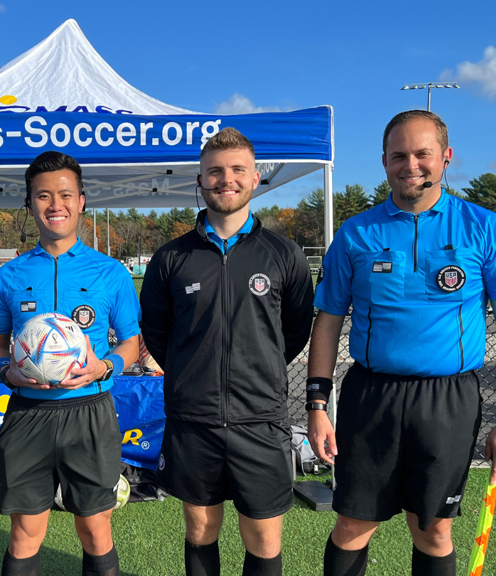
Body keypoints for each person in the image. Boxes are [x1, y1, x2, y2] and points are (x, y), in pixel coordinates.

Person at [308, 110, 496, 576]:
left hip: (447, 399)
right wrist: (317, 406)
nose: (410, 165)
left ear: (445, 157)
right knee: (352, 523)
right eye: (398, 156)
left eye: (422, 154)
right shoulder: (355, 233)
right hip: (371, 396)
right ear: (384, 161)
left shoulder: (486, 229)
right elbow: (327, 322)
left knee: (433, 529)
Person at [140, 127, 315, 576]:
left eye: (238, 169)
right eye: (215, 171)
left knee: (263, 538)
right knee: (201, 530)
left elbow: (294, 332)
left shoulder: (285, 254)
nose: (226, 179)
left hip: (261, 419)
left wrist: (258, 368)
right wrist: (191, 373)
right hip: (193, 420)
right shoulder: (170, 258)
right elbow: (156, 333)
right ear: (200, 180)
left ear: (256, 178)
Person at [0, 151, 141, 576]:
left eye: (66, 194)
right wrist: (5, 371)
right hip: (28, 414)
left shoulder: (110, 272)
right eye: (43, 195)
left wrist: (104, 366)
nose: (56, 204)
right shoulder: (9, 276)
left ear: (82, 201)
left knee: (95, 531)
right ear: (30, 203)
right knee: (24, 534)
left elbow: (131, 342)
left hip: (89, 414)